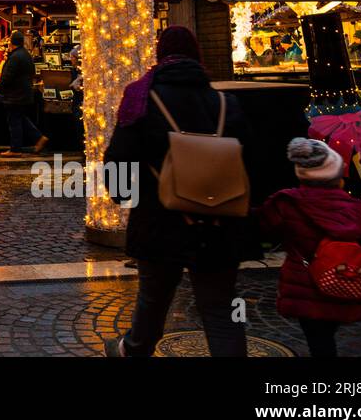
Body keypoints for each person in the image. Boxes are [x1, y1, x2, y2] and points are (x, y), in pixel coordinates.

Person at [103, 26, 254, 358]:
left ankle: (133, 349)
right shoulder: (226, 104)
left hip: (160, 220)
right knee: (221, 312)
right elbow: (250, 159)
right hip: (220, 222)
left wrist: (122, 195)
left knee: (153, 300)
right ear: (197, 56)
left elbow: (119, 158)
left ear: (160, 56)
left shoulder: (142, 99)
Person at [261, 138, 361, 358]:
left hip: (304, 291)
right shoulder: (357, 210)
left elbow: (261, 228)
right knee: (325, 342)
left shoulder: (286, 203)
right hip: (346, 282)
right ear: (338, 177)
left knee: (320, 343)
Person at [0, 30, 47, 152]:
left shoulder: (15, 57)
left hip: (15, 94)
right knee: (19, 118)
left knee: (14, 120)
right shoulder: (26, 55)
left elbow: (7, 76)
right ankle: (39, 138)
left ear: (12, 43)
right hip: (23, 93)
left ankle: (15, 148)